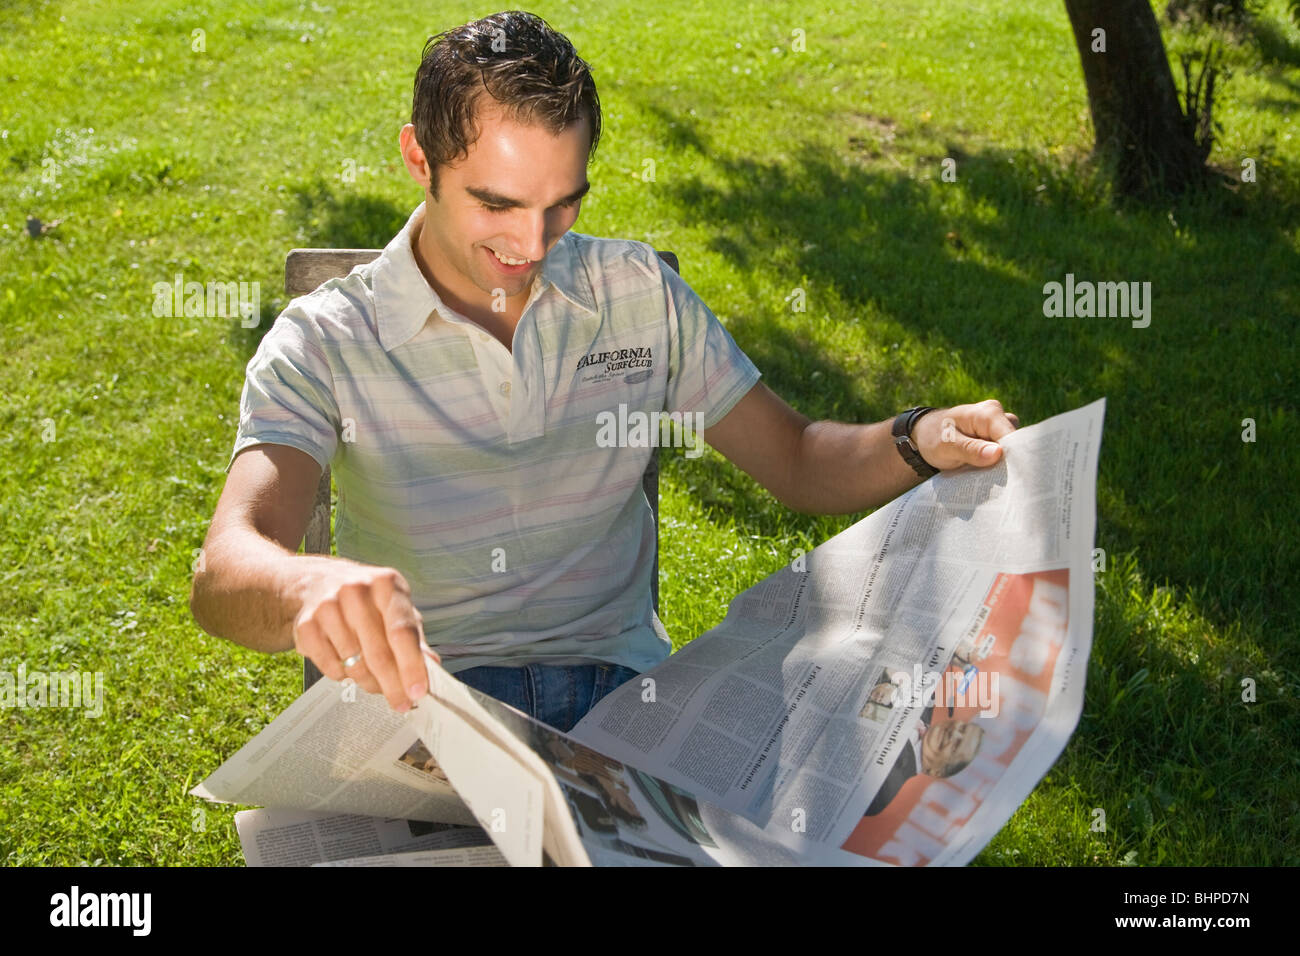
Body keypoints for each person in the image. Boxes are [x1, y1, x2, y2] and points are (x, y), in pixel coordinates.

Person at [188, 11, 1019, 734]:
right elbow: (225, 569)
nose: (531, 244)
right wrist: (303, 588)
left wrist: (916, 437)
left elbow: (798, 457)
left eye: (564, 204)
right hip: (422, 706)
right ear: (418, 158)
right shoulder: (327, 337)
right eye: (497, 204)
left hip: (622, 703)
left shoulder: (635, 295)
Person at [863, 708, 986, 816]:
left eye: (956, 746)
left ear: (937, 771)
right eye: (963, 729)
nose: (954, 733)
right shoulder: (927, 697)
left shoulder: (880, 795)